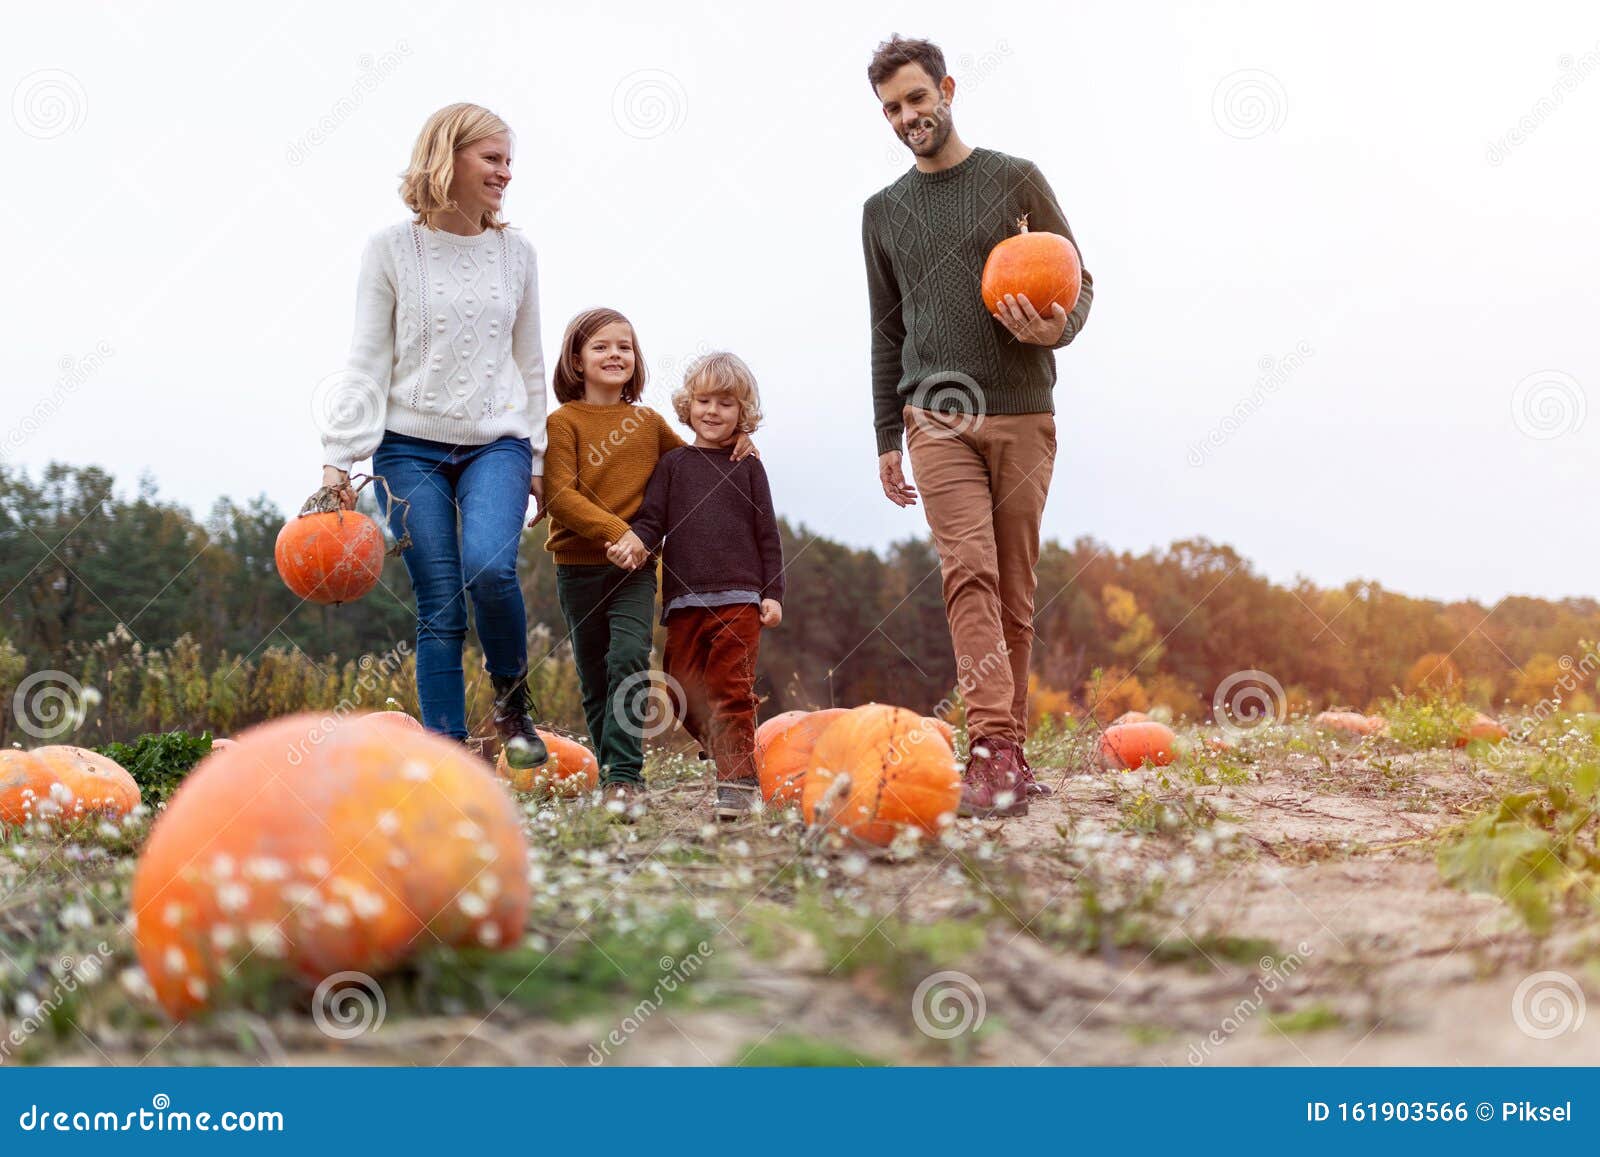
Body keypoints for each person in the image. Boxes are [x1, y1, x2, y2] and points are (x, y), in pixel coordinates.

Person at [862, 36, 1095, 817]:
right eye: (892, 108)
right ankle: (992, 746)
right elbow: (885, 329)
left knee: (1015, 589)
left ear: (947, 89)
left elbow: (1079, 281)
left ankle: (1010, 752)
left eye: (917, 100)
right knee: (969, 572)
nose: (906, 118)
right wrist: (885, 434)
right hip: (935, 415)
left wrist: (1053, 330)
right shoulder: (882, 213)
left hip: (1024, 407)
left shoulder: (1014, 180)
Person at [315, 101, 548, 769]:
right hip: (406, 446)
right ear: (449, 157)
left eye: (510, 161)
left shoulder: (517, 254)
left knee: (490, 568)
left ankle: (512, 706)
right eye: (493, 158)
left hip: (496, 443)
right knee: (439, 603)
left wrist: (536, 455)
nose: (506, 173)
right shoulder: (391, 249)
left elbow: (529, 361)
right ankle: (447, 760)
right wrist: (338, 458)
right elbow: (367, 358)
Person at [542, 311, 756, 819]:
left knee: (629, 659)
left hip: (635, 571)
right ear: (577, 359)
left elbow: (697, 469)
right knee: (594, 675)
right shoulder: (563, 422)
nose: (615, 355)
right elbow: (560, 495)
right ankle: (610, 770)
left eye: (625, 347)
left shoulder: (648, 423)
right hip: (578, 565)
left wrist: (737, 444)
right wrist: (620, 533)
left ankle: (624, 779)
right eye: (601, 347)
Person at [609, 352, 784, 821]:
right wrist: (636, 544)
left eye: (726, 404)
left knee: (732, 689)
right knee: (680, 690)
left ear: (742, 412)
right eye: (704, 400)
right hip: (684, 601)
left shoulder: (748, 467)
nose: (713, 411)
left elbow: (768, 535)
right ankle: (728, 750)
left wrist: (773, 593)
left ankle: (738, 782)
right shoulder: (674, 465)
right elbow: (653, 520)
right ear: (688, 406)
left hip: (740, 600)